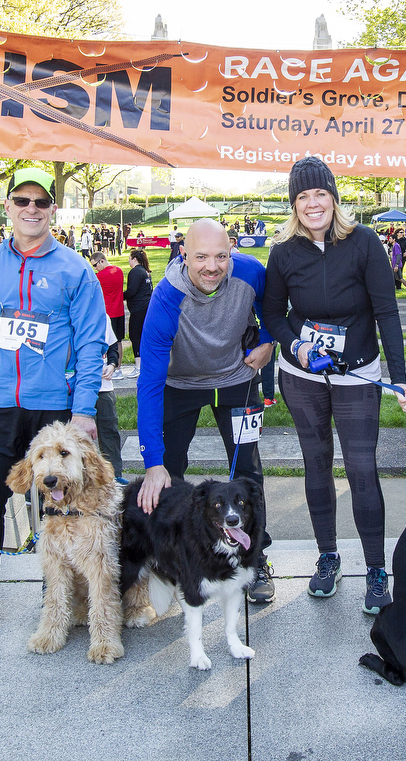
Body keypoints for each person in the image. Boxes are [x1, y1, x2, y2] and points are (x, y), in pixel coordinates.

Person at [0, 167, 108, 635]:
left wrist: (83, 410)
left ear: (53, 209)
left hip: (51, 407)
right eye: (22, 201)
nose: (32, 209)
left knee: (61, 503)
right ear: (8, 207)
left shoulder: (75, 269)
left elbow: (90, 343)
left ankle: (55, 590)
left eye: (41, 202)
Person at [265, 156, 406, 615]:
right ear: (294, 203)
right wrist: (296, 348)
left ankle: (374, 568)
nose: (312, 204)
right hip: (304, 376)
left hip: (358, 374)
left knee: (362, 468)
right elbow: (271, 313)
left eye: (320, 194)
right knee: (316, 464)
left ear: (334, 197)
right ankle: (327, 558)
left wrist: (401, 378)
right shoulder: (284, 251)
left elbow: (388, 313)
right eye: (303, 196)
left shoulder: (364, 242)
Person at [136, 217, 277, 603]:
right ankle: (172, 559)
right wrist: (152, 462)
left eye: (221, 256)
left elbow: (274, 307)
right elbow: (148, 383)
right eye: (201, 257)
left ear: (232, 250)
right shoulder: (165, 298)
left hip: (237, 379)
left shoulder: (250, 271)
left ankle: (255, 557)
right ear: (183, 253)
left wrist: (267, 341)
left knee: (249, 472)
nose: (212, 266)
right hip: (180, 385)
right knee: (169, 476)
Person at [96, 321, 125, 484]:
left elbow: (113, 347)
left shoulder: (103, 316)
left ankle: (114, 475)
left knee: (109, 432)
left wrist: (112, 364)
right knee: (77, 437)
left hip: (103, 386)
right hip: (75, 386)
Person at [92, 251, 126, 379]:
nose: (95, 268)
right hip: (119, 310)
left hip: (107, 312)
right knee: (118, 341)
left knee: (109, 340)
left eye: (95, 265)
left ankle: (109, 365)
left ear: (101, 261)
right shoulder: (119, 271)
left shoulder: (99, 276)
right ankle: (118, 368)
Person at [124, 248, 153, 380]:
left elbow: (132, 290)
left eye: (130, 258)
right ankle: (144, 364)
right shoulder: (145, 272)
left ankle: (138, 366)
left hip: (138, 308)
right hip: (146, 307)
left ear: (134, 259)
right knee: (142, 336)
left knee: (135, 336)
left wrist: (120, 296)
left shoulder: (135, 271)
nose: (129, 261)